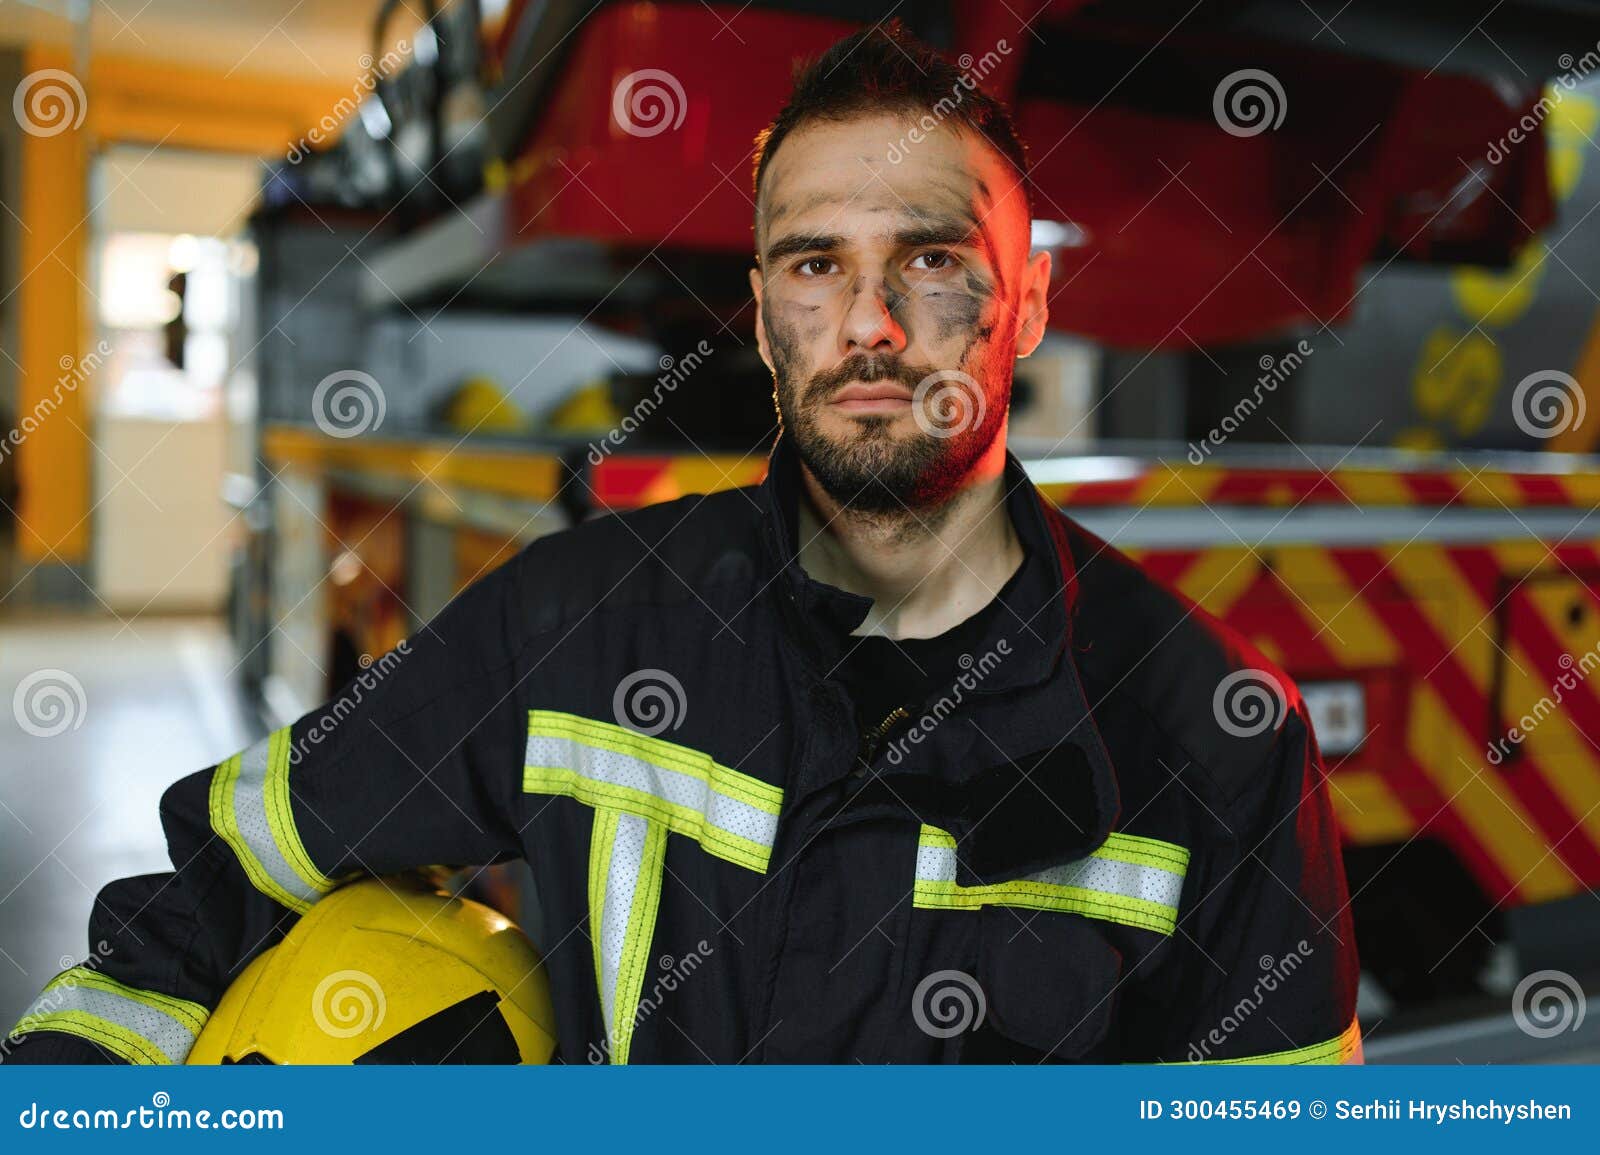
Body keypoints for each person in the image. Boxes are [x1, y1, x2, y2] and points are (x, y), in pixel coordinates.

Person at [4, 21, 1359, 1065]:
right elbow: (231, 870)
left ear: (1030, 301)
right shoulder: (577, 623)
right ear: (763, 312)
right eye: (817, 264)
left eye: (933, 260)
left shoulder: (1215, 734)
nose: (870, 323)